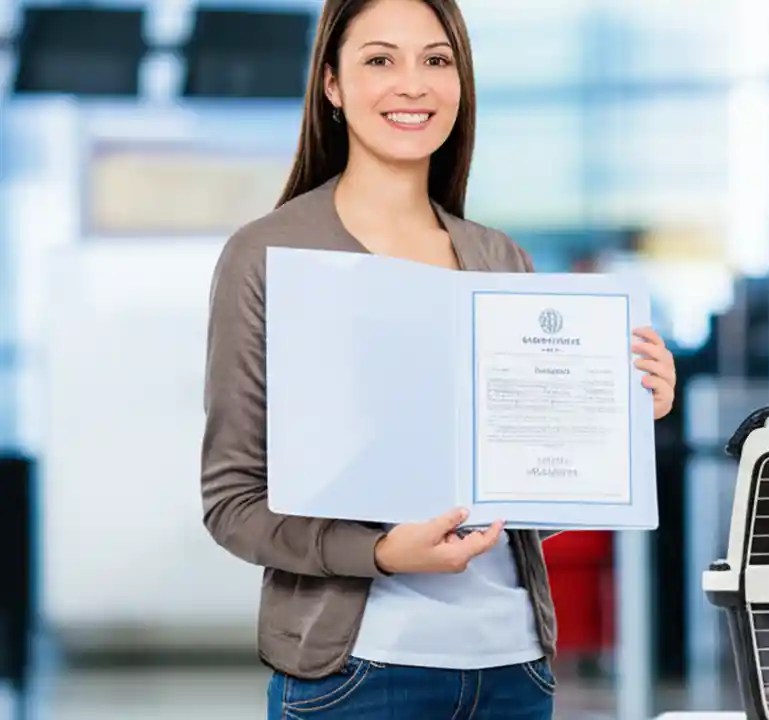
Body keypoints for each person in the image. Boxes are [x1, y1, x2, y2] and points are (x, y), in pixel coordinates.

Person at [199, 0, 678, 717]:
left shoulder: (498, 258)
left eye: (436, 59)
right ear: (331, 83)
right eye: (379, 60)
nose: (413, 84)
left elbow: (523, 505)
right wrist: (383, 553)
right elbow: (232, 502)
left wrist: (623, 415)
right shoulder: (269, 255)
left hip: (513, 669)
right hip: (353, 676)